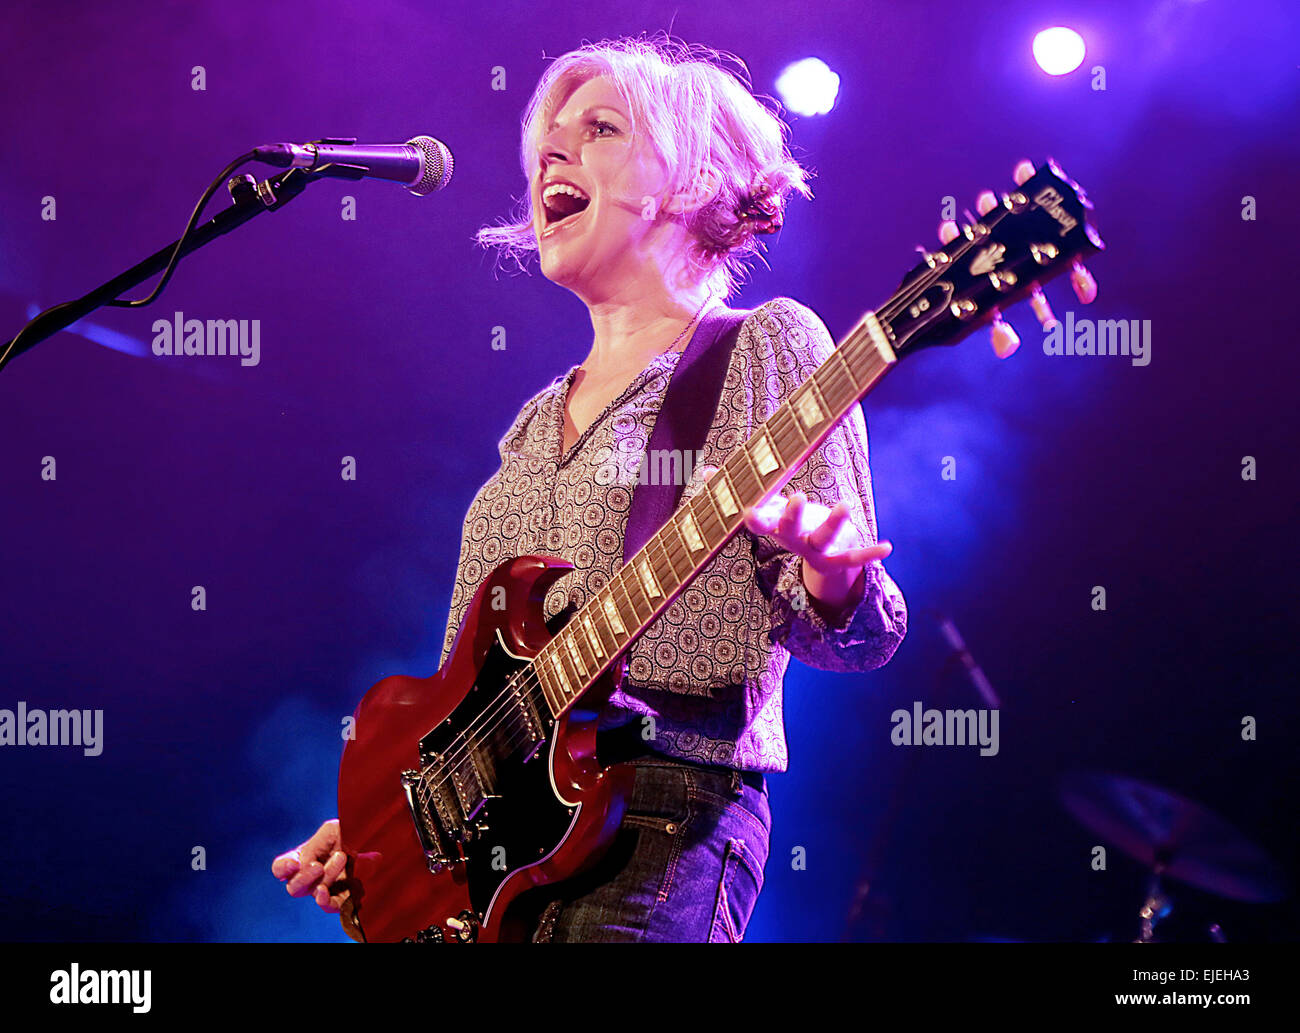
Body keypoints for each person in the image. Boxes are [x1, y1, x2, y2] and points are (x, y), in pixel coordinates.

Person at [274, 33, 998, 942]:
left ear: (695, 179)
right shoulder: (532, 429)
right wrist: (388, 834)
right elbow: (460, 700)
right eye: (546, 143)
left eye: (601, 129)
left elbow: (863, 638)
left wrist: (834, 577)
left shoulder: (765, 348)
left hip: (662, 821)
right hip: (502, 863)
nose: (554, 156)